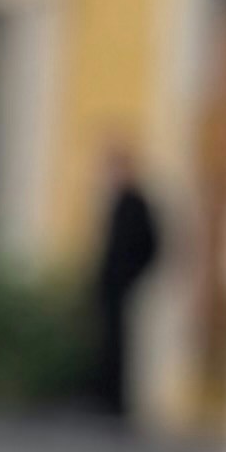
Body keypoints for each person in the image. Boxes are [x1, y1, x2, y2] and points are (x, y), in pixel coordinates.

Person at [85, 135, 163, 423]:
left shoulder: (136, 203)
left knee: (121, 345)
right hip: (109, 285)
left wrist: (132, 277)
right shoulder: (116, 201)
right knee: (105, 342)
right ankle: (103, 398)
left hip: (123, 285)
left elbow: (151, 247)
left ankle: (116, 404)